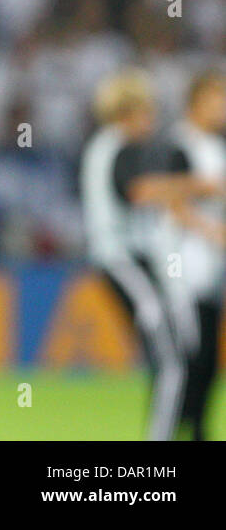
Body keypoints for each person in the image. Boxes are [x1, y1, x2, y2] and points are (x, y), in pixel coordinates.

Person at [80, 68, 223, 440]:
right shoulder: (117, 145)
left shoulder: (108, 146)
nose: (152, 119)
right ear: (129, 111)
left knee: (175, 353)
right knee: (173, 358)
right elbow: (139, 191)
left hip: (133, 258)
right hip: (121, 257)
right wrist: (202, 186)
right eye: (147, 110)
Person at [168, 71, 226, 439]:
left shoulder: (216, 146)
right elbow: (171, 202)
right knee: (188, 359)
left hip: (213, 265)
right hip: (182, 263)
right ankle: (175, 428)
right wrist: (212, 231)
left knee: (208, 360)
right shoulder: (179, 144)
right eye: (216, 99)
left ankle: (200, 429)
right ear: (196, 102)